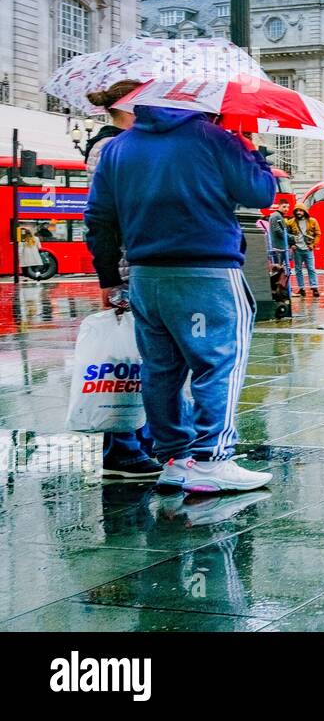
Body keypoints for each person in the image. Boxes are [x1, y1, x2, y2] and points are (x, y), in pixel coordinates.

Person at [84, 101, 278, 493]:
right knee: (218, 362)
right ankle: (211, 458)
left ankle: (174, 458)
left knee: (161, 369)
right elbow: (260, 193)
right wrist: (250, 150)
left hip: (145, 274)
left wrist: (108, 277)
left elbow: (99, 217)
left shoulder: (119, 147)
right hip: (207, 271)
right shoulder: (214, 137)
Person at [83, 81, 163, 480]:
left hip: (138, 263)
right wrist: (108, 277)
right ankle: (123, 449)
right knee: (126, 358)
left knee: (141, 356)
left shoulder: (124, 142)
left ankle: (139, 442)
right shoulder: (109, 146)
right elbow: (100, 218)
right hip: (127, 266)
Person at [287, 205, 321, 297]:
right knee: (298, 270)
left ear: (305, 211)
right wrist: (291, 245)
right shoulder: (290, 222)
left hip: (308, 249)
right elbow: (287, 235)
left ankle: (314, 288)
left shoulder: (312, 221)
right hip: (297, 249)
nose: (299, 212)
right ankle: (301, 289)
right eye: (297, 211)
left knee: (311, 268)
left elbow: (318, 234)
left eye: (301, 211)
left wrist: (313, 245)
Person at [266, 202, 291, 291]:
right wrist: (291, 238)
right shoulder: (276, 216)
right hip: (279, 247)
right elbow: (279, 231)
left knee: (282, 269)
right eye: (284, 207)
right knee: (280, 270)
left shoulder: (277, 216)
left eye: (288, 207)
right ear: (279, 206)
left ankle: (284, 289)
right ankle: (282, 290)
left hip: (280, 246)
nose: (286, 209)